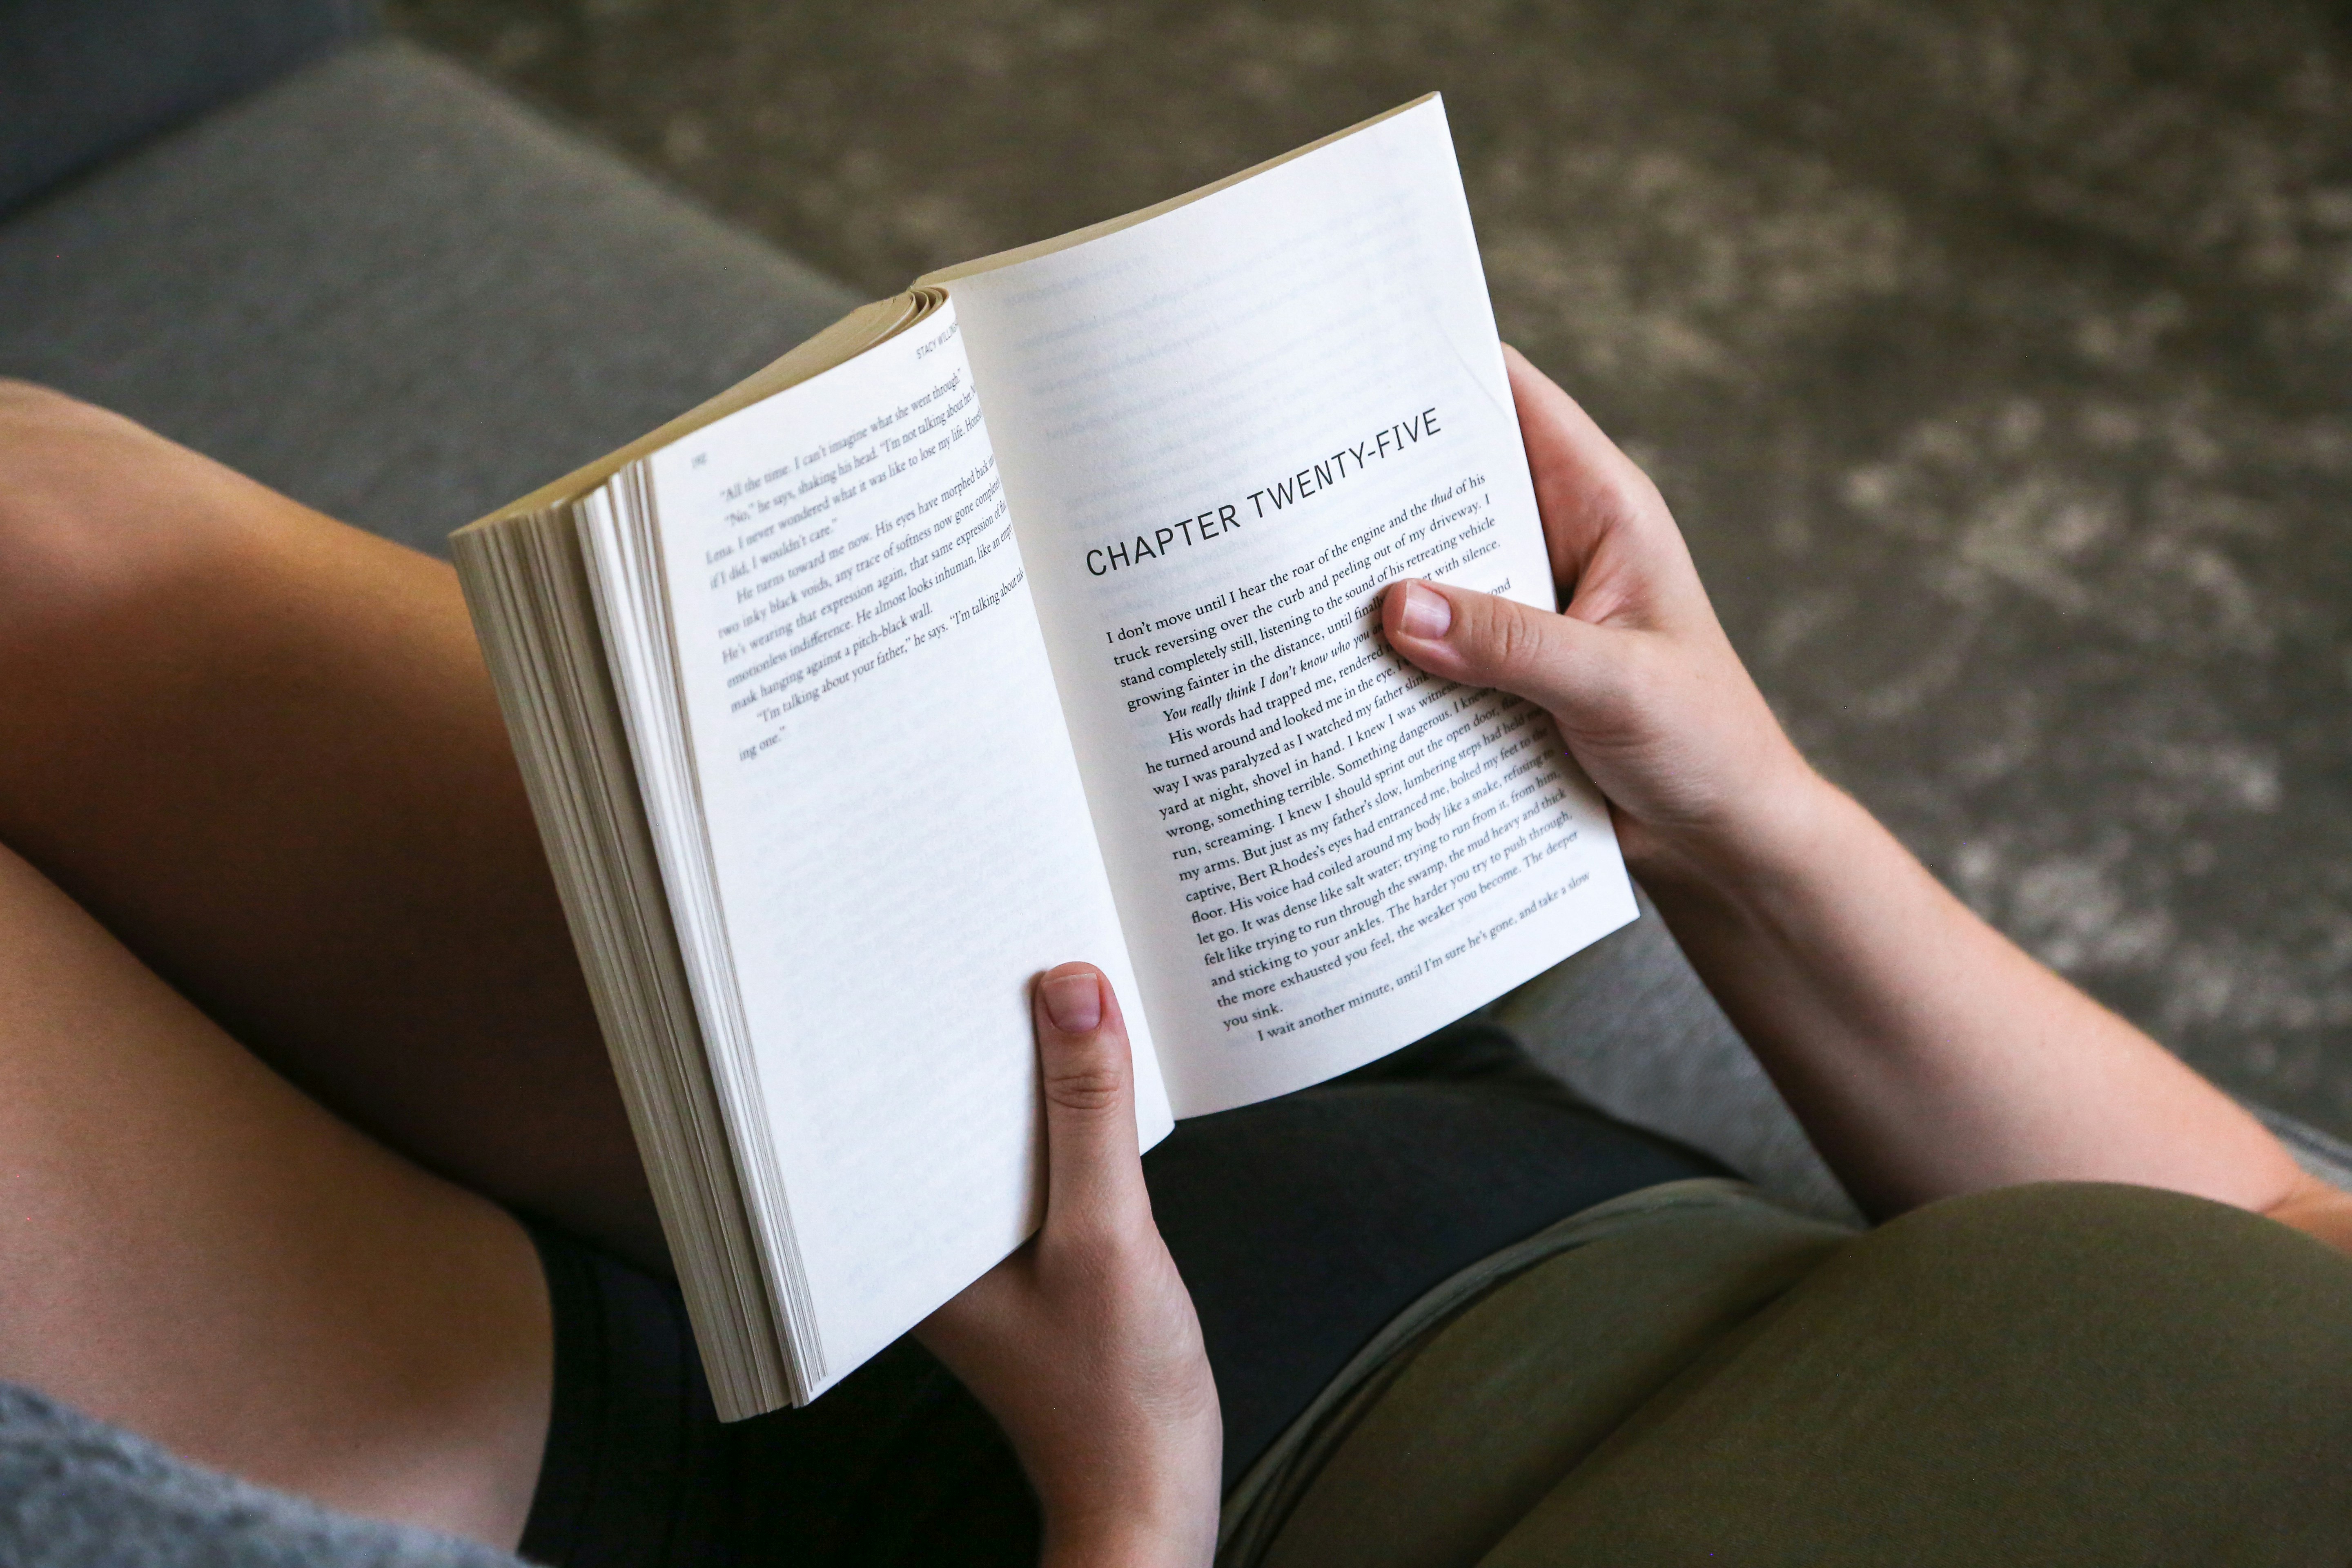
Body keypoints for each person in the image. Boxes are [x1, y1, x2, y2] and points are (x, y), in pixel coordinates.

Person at [0, 349, 2344, 1568]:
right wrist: (1739, 815)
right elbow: (2257, 1236)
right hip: (1355, 1165)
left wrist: (1126, 1485)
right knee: (52, 538)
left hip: (942, 1517)